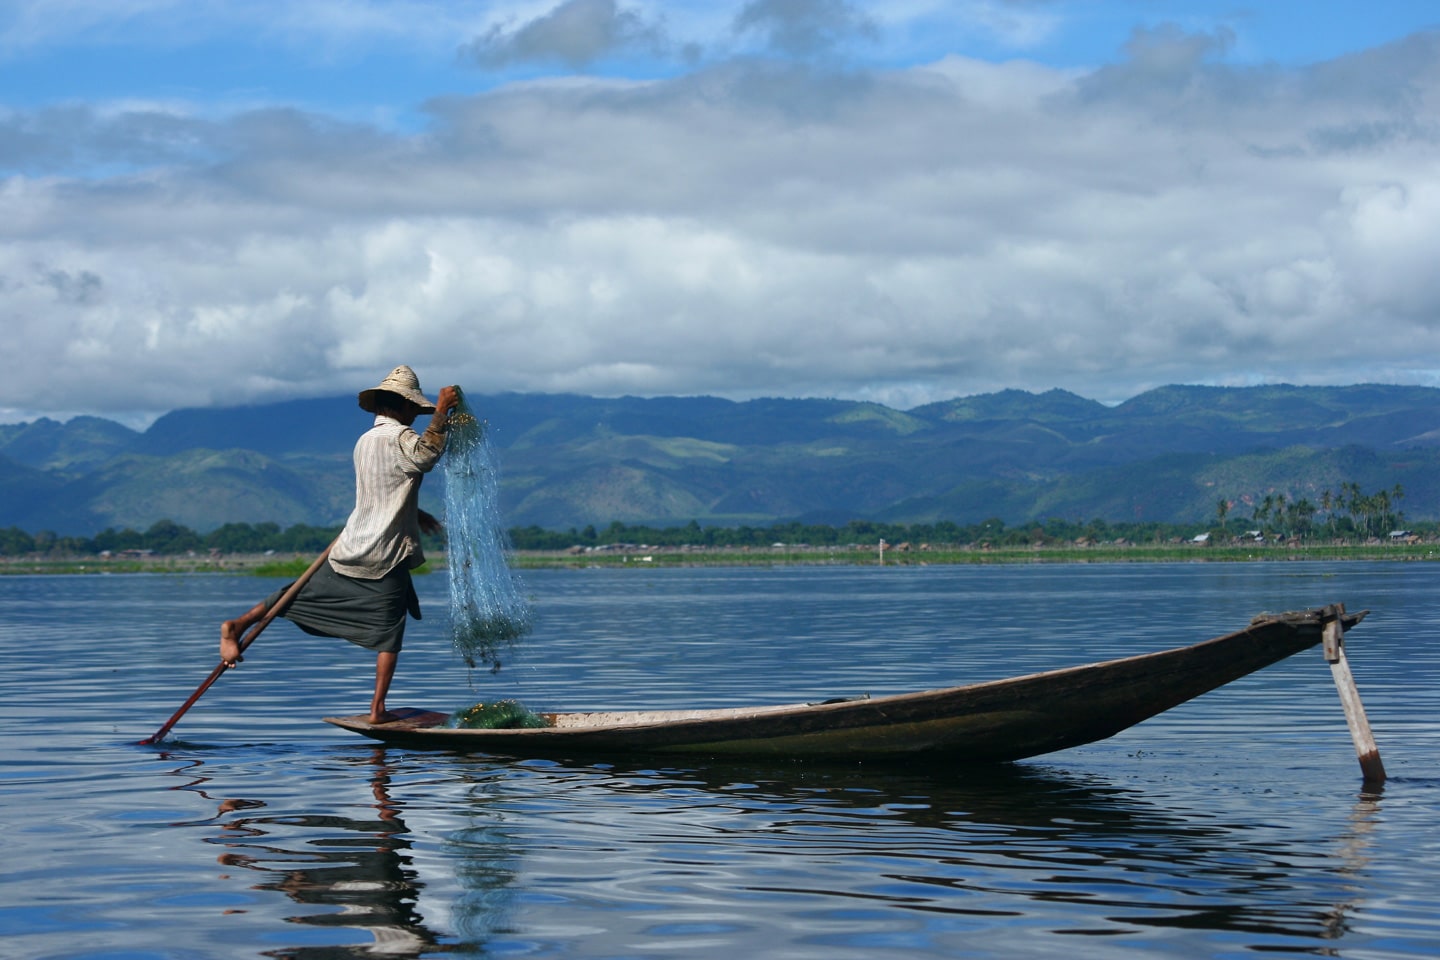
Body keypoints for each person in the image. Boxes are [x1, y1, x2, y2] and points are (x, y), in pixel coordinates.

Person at [220, 365, 459, 724]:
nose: (414, 413)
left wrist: (415, 512)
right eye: (414, 407)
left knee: (294, 595)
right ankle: (378, 709)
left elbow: (385, 488)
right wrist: (440, 411)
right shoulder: (400, 437)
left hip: (352, 543)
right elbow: (426, 456)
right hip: (384, 552)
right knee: (389, 631)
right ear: (403, 406)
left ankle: (237, 624)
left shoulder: (364, 440)